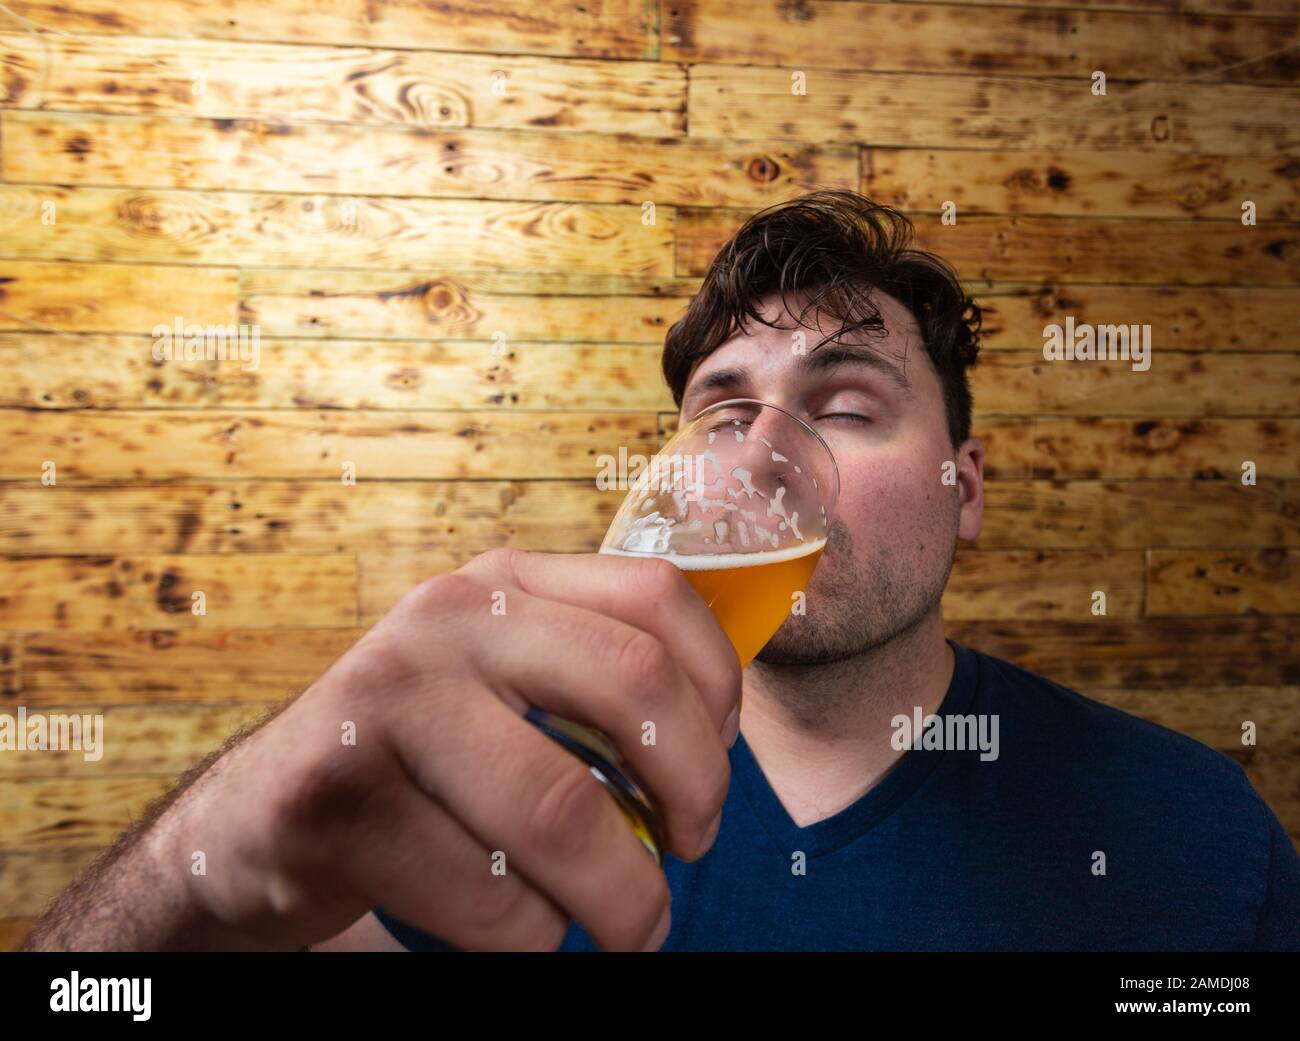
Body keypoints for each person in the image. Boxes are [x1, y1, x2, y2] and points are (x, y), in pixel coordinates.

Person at [22, 190, 1299, 952]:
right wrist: (200, 863)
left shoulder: (1190, 836)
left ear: (964, 489)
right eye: (719, 412)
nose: (762, 459)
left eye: (845, 409)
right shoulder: (500, 783)